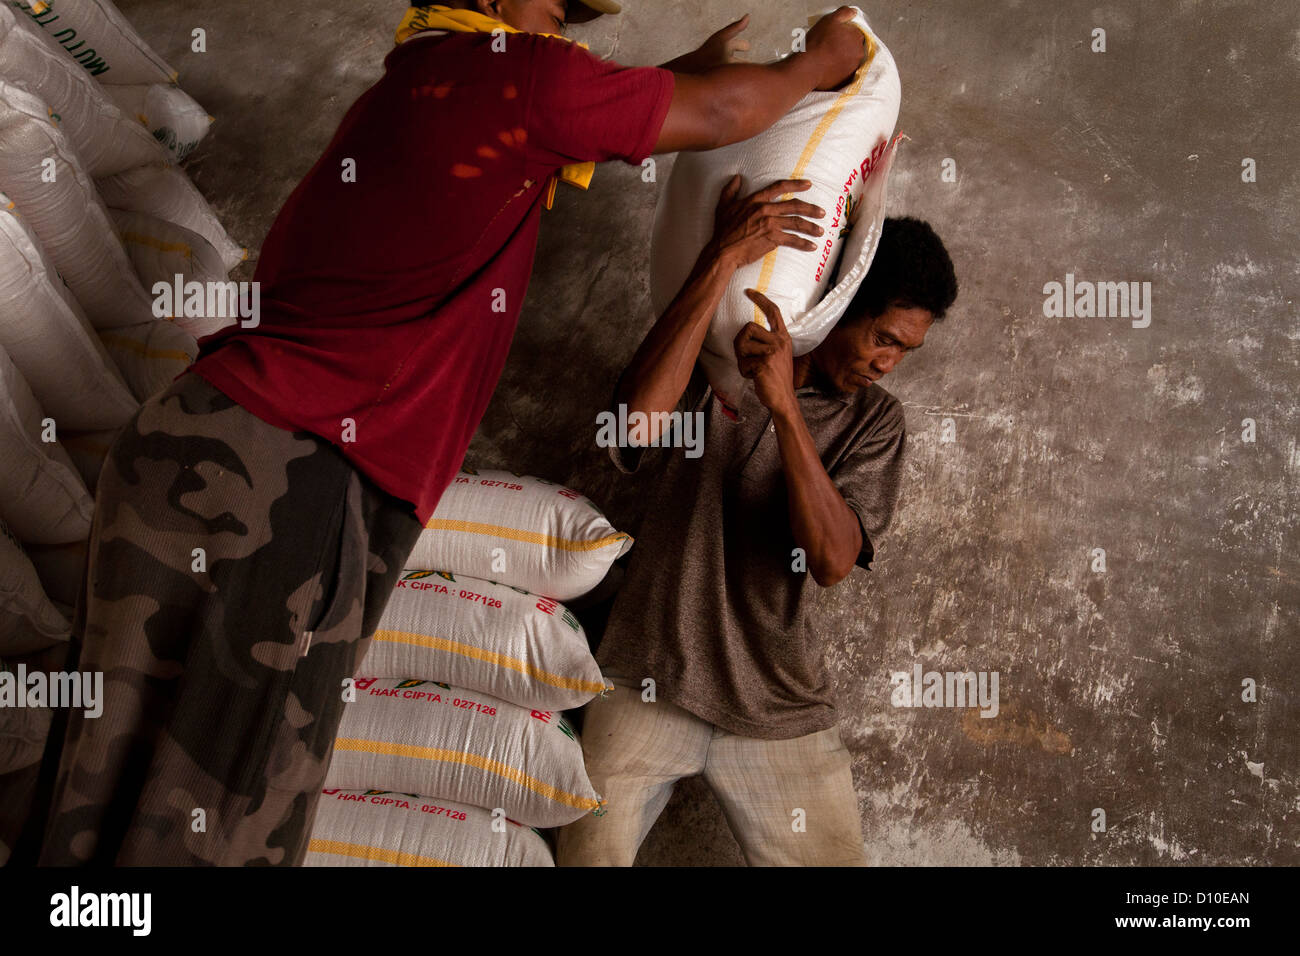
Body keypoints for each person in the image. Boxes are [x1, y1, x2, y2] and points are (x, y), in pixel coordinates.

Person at [35, 2, 870, 865]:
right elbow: (731, 111)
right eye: (556, 12)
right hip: (287, 478)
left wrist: (673, 75)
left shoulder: (425, 81)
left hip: (189, 451)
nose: (567, 33)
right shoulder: (523, 77)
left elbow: (585, 115)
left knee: (95, 799)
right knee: (224, 804)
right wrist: (824, 58)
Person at [557, 176, 958, 866]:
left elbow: (831, 560)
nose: (887, 365)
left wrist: (785, 408)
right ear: (841, 308)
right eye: (883, 339)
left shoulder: (876, 421)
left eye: (904, 353)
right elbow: (630, 429)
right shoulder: (715, 358)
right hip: (647, 673)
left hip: (776, 703)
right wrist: (719, 259)